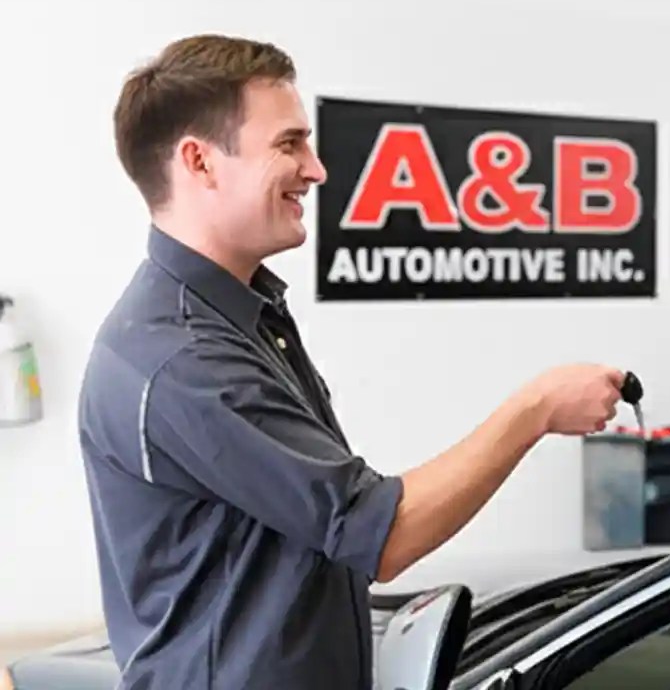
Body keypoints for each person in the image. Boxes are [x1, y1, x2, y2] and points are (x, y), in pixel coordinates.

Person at [75, 33, 626, 690]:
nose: (317, 169)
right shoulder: (181, 357)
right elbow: (380, 532)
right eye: (289, 144)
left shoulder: (240, 316)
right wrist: (535, 409)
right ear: (199, 161)